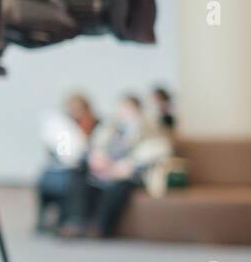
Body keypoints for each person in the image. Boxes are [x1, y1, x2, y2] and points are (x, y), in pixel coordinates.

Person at [60, 94, 171, 238]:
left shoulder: (149, 126)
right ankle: (76, 222)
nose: (123, 112)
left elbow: (159, 148)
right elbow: (96, 144)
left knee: (118, 187)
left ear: (137, 110)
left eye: (128, 109)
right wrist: (97, 156)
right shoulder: (110, 125)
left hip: (128, 172)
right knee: (79, 174)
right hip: (104, 169)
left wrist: (129, 163)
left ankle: (100, 227)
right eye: (121, 108)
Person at [36, 92, 97, 231]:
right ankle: (46, 219)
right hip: (68, 164)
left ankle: (71, 220)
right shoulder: (65, 125)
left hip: (86, 166)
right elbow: (63, 150)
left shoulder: (92, 123)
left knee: (73, 179)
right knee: (48, 175)